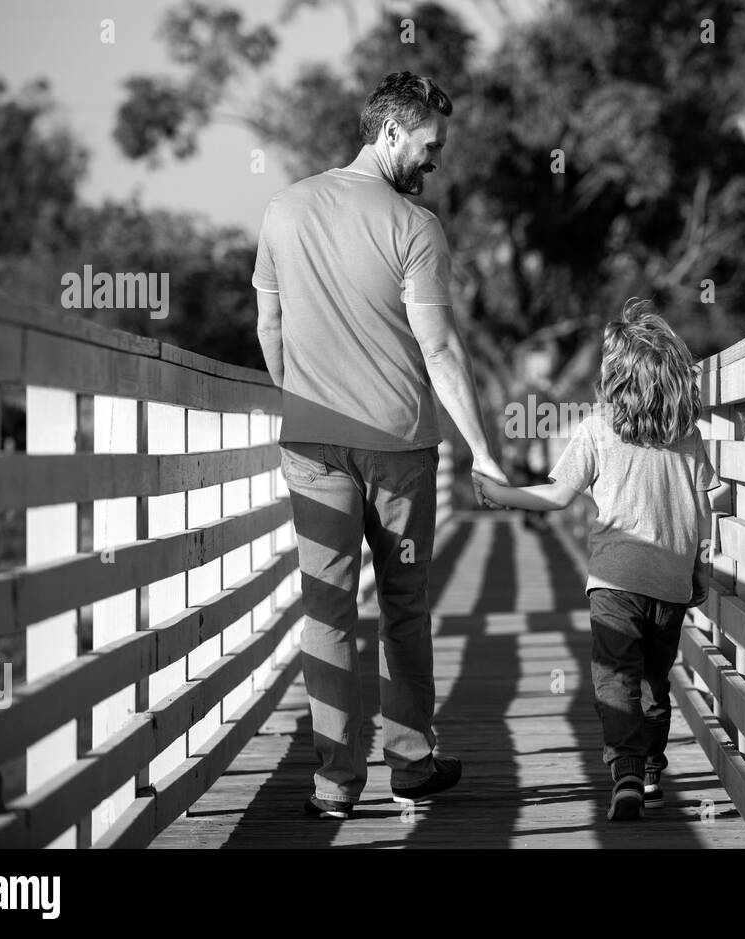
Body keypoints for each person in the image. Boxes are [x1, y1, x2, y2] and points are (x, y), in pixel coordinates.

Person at [253, 71, 508, 819]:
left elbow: (269, 330)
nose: (435, 161)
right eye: (430, 145)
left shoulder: (283, 208)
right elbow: (440, 349)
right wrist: (484, 452)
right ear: (391, 132)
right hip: (398, 448)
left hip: (312, 445)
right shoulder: (416, 227)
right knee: (404, 605)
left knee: (327, 608)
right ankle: (411, 759)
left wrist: (304, 400)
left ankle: (334, 784)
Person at [474, 299, 725, 821]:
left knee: (616, 678)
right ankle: (652, 768)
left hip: (613, 581)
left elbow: (556, 496)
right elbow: (702, 510)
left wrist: (503, 496)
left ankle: (627, 770)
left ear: (613, 376)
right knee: (657, 681)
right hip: (672, 582)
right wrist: (700, 565)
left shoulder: (596, 428)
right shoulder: (689, 437)